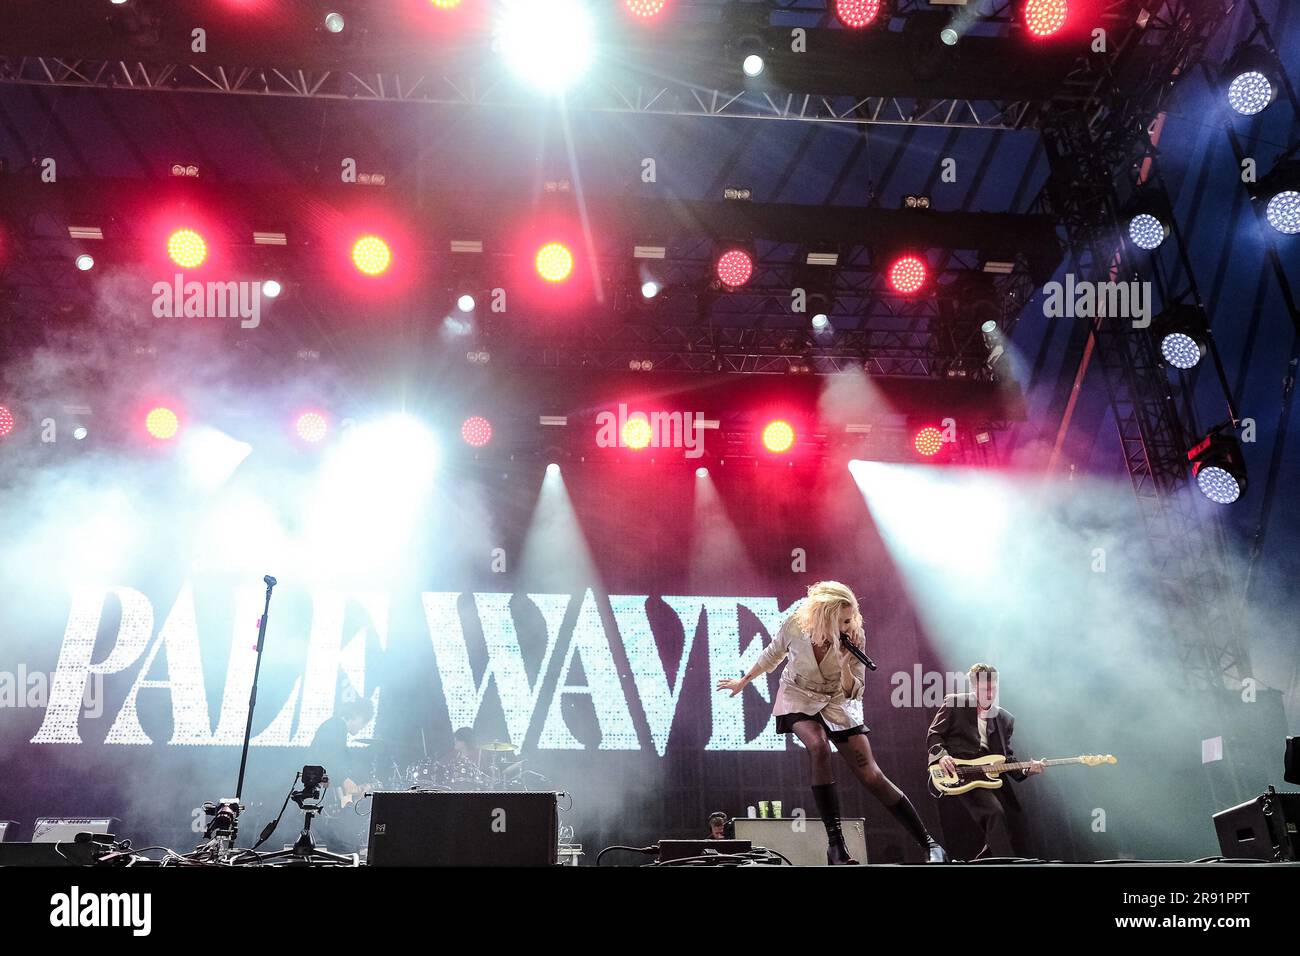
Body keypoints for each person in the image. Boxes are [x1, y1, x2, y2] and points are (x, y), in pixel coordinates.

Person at [717, 581, 947, 864]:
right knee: (818, 746)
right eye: (844, 620)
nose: (850, 625)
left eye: (852, 618)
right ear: (825, 616)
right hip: (797, 695)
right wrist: (744, 680)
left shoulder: (855, 638)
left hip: (835, 701)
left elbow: (855, 690)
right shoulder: (795, 625)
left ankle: (930, 844)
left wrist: (842, 664)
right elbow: (772, 654)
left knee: (871, 774)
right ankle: (836, 846)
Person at [925, 663, 1043, 859]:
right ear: (973, 687)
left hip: (990, 774)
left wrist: (1027, 770)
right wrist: (942, 756)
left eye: (993, 687)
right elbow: (935, 734)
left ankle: (983, 862)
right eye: (985, 688)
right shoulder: (955, 703)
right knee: (994, 812)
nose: (990, 692)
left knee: (1014, 820)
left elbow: (1007, 757)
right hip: (961, 771)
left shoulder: (1005, 718)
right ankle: (1007, 863)